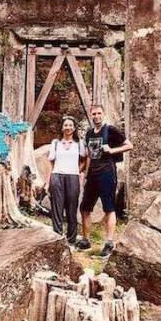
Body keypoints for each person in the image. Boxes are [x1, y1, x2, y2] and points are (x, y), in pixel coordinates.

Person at [78, 103, 132, 258]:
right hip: (93, 176)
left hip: (107, 174)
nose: (96, 116)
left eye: (99, 113)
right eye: (94, 114)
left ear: (103, 114)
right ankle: (86, 240)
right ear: (91, 115)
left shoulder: (111, 130)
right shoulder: (89, 133)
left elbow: (129, 145)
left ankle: (109, 242)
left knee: (109, 209)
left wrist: (112, 150)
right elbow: (89, 155)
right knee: (84, 208)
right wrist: (86, 176)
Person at [46, 116, 86, 243]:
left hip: (73, 177)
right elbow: (51, 162)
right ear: (62, 128)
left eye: (70, 125)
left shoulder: (79, 144)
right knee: (57, 207)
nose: (68, 127)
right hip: (57, 175)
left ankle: (71, 238)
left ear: (74, 128)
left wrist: (78, 171)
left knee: (72, 208)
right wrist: (49, 179)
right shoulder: (55, 143)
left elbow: (84, 160)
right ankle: (57, 237)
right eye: (65, 125)